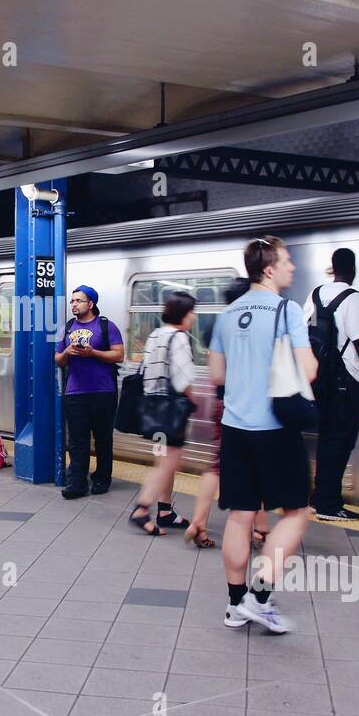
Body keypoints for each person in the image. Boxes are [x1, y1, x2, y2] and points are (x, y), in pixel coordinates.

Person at [208, 236, 317, 634]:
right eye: (287, 261)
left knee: (240, 516)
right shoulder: (287, 311)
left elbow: (217, 376)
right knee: (297, 511)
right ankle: (260, 595)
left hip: (235, 428)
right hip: (275, 429)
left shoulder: (226, 314)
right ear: (268, 269)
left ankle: (235, 605)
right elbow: (309, 371)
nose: (292, 267)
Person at [187, 277, 267, 549]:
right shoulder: (261, 326)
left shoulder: (221, 326)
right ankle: (260, 528)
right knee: (259, 464)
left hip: (223, 404)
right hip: (253, 407)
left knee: (218, 465)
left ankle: (200, 520)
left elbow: (216, 375)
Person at [129, 292, 211, 546]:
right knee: (168, 463)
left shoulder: (155, 334)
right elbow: (183, 379)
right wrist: (195, 399)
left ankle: (165, 511)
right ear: (182, 314)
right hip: (170, 412)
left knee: (162, 460)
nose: (194, 316)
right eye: (191, 312)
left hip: (153, 409)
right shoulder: (179, 338)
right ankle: (142, 510)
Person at [303, 247, 359, 522]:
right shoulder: (352, 298)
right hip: (347, 380)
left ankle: (319, 499)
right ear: (353, 270)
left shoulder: (315, 293)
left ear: (333, 268)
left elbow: (303, 330)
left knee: (327, 438)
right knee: (340, 441)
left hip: (321, 378)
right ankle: (329, 505)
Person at [55, 285, 125, 500]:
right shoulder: (66, 328)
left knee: (103, 438)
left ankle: (102, 478)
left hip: (103, 391)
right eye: (72, 301)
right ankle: (77, 482)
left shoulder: (106, 326)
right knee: (77, 440)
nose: (74, 305)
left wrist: (92, 352)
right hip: (75, 392)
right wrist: (67, 352)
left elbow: (119, 355)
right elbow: (58, 360)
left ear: (91, 304)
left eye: (79, 301)